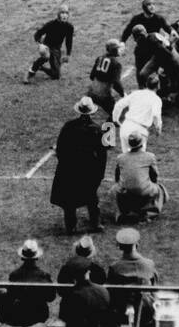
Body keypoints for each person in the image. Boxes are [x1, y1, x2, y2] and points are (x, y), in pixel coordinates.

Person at [50, 98, 108, 234]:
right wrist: (100, 172)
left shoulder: (68, 127)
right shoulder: (96, 129)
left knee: (68, 199)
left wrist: (64, 163)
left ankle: (70, 226)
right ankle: (95, 223)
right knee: (92, 197)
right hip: (88, 168)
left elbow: (60, 149)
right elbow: (102, 154)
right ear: (91, 112)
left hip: (69, 167)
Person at [0, 240, 57, 327]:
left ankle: (6, 321)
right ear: (37, 257)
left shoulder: (15, 275)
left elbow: (11, 296)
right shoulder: (44, 276)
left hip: (19, 315)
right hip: (39, 316)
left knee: (0, 294)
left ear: (22, 257)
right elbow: (51, 297)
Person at [107, 227, 159, 327]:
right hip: (145, 306)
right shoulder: (149, 264)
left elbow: (111, 291)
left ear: (119, 246)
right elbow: (154, 288)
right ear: (138, 244)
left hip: (121, 304)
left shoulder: (115, 267)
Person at [111, 131, 168, 223]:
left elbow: (117, 176)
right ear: (142, 143)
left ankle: (122, 213)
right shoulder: (150, 156)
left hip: (124, 190)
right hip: (143, 190)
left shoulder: (120, 157)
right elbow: (155, 175)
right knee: (160, 189)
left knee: (114, 189)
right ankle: (148, 213)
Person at [120, 0, 171, 79]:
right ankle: (142, 88)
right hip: (142, 49)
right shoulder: (137, 19)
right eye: (149, 5)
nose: (152, 6)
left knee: (159, 71)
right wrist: (122, 42)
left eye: (153, 4)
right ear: (144, 8)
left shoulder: (158, 18)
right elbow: (127, 30)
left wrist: (169, 36)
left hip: (155, 48)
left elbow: (168, 29)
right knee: (140, 71)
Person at [111, 73, 163, 152]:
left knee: (126, 157)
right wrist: (158, 129)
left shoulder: (136, 93)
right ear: (158, 86)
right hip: (140, 130)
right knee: (139, 160)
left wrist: (115, 119)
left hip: (126, 126)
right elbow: (156, 115)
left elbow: (118, 105)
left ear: (146, 84)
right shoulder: (156, 99)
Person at [25, 4, 74, 83]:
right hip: (47, 45)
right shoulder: (51, 24)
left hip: (56, 48)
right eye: (62, 13)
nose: (64, 15)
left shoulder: (69, 27)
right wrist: (40, 44)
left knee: (56, 75)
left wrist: (68, 54)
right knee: (46, 56)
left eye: (66, 13)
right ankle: (31, 71)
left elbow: (69, 41)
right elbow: (37, 34)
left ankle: (41, 67)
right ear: (58, 14)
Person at [87, 40, 126, 112]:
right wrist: (123, 94)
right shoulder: (116, 64)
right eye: (118, 48)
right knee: (115, 114)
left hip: (92, 93)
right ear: (114, 50)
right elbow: (116, 83)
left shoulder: (99, 58)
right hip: (104, 95)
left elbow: (92, 76)